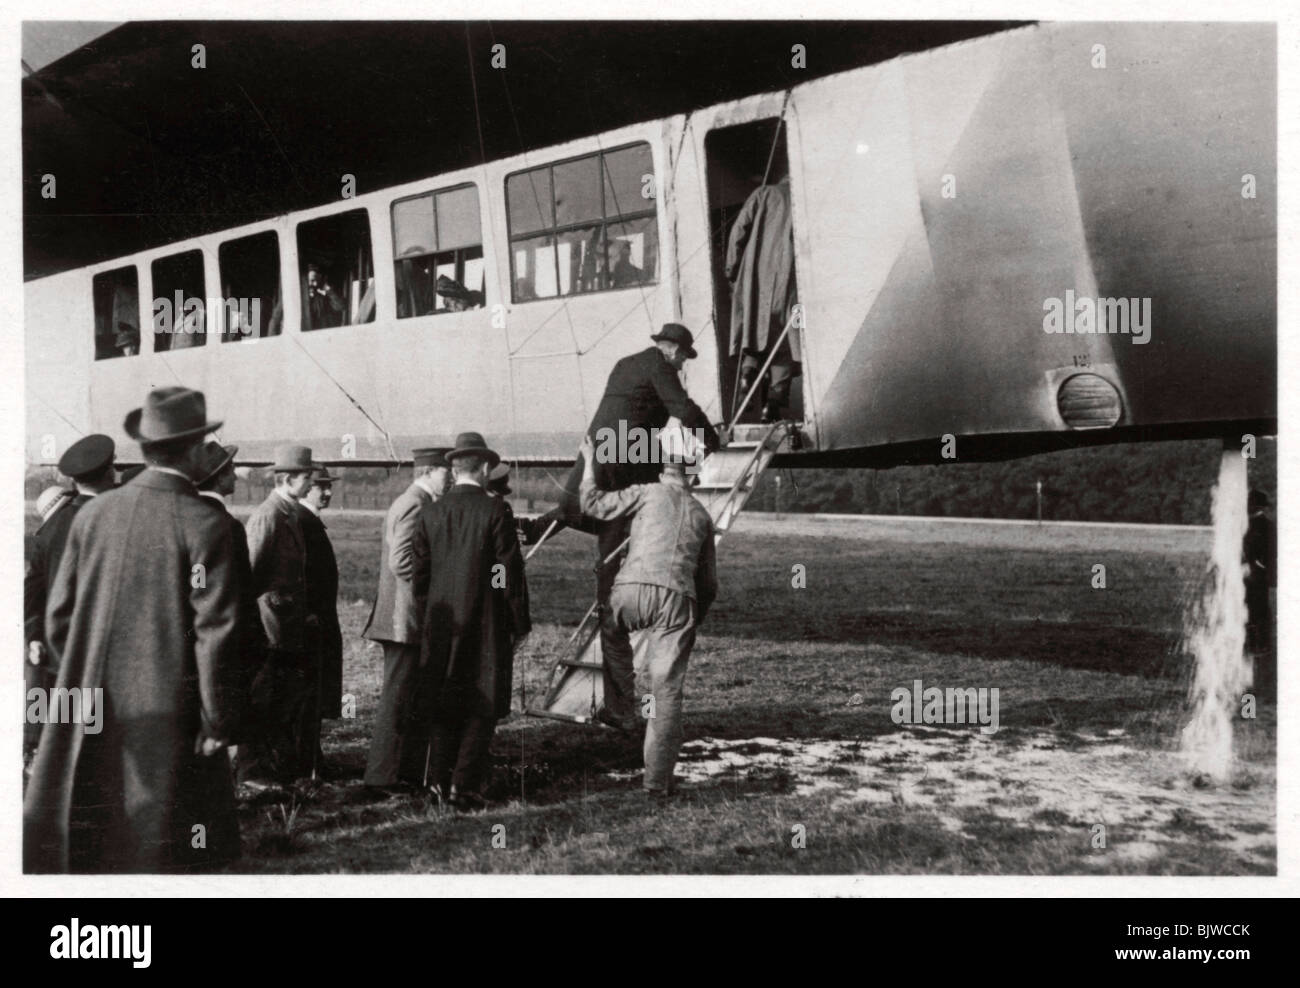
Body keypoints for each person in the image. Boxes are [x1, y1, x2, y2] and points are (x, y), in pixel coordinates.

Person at [24, 386, 242, 872]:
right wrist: (217, 719)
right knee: (173, 840)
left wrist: (86, 675)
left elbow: (59, 616)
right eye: (206, 441)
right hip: (171, 709)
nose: (210, 450)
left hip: (88, 703)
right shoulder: (207, 525)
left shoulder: (93, 515)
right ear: (189, 449)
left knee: (89, 825)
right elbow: (215, 632)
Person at [541, 324, 721, 706]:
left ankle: (605, 596)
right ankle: (609, 606)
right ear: (672, 350)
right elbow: (683, 409)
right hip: (625, 460)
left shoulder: (627, 364)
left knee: (603, 525)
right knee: (615, 543)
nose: (682, 364)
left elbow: (641, 418)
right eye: (683, 357)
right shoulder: (660, 367)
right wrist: (712, 439)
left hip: (610, 454)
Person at [578, 426, 717, 796]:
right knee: (666, 691)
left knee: (611, 629)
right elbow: (709, 585)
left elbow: (591, 503)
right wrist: (689, 621)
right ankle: (656, 783)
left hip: (629, 592)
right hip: (677, 600)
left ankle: (622, 705)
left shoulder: (647, 493)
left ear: (664, 469)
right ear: (695, 475)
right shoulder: (702, 516)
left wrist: (591, 461)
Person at [416, 433, 530, 810]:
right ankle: (463, 787)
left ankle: (437, 783)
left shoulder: (430, 511)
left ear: (454, 469)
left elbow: (421, 576)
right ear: (483, 468)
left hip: (441, 625)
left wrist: (431, 613)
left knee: (443, 700)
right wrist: (513, 615)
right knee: (482, 702)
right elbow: (504, 570)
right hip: (486, 622)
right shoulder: (495, 511)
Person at [362, 448, 452, 792]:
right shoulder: (416, 504)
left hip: (402, 620)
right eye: (446, 471)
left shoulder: (410, 500)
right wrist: (437, 583)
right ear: (428, 471)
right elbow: (401, 562)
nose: (451, 477)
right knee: (396, 702)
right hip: (405, 621)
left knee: (403, 699)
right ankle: (381, 777)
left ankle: (396, 773)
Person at [24, 435, 117, 755]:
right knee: (97, 738)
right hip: (98, 645)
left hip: (57, 646)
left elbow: (33, 588)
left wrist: (35, 634)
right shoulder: (111, 522)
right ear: (110, 472)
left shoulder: (51, 528)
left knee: (64, 733)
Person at [241, 444, 317, 787]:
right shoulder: (268, 516)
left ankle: (276, 767)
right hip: (272, 626)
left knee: (283, 697)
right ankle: (252, 769)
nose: (310, 483)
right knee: (264, 698)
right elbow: (249, 574)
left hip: (287, 624)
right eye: (306, 478)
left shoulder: (288, 513)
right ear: (287, 479)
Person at [195, 441, 265, 769]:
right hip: (227, 635)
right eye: (231, 470)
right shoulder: (227, 526)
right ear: (219, 477)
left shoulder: (188, 518)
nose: (235, 475)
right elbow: (241, 590)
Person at [725, 174, 800, 423]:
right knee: (786, 342)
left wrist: (732, 269)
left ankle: (747, 377)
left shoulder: (764, 193)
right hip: (792, 282)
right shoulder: (804, 197)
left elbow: (739, 230)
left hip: (757, 278)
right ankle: (773, 405)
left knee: (754, 331)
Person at [299, 465, 343, 776]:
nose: (326, 492)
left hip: (320, 620)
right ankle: (307, 763)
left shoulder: (309, 520)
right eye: (319, 486)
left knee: (314, 694)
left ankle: (313, 759)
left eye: (328, 486)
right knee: (306, 695)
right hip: (309, 624)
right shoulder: (301, 522)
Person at [1244, 489, 1276, 697]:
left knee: (1256, 616)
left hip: (1255, 581)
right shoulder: (1261, 525)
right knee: (1255, 616)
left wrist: (1254, 567)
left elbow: (1267, 557)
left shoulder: (1261, 527)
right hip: (1253, 581)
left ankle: (1255, 653)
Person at [304, 263, 346, 329]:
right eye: (311, 281)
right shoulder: (302, 298)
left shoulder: (325, 295)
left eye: (316, 280)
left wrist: (329, 291)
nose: (314, 284)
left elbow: (340, 306)